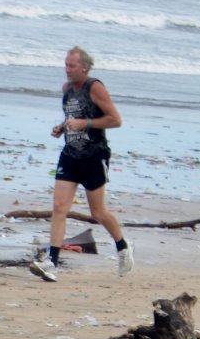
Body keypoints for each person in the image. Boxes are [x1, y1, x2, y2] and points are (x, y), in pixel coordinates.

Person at [31, 46, 133, 282]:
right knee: (59, 207)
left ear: (84, 67)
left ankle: (123, 247)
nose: (67, 70)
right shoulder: (66, 90)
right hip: (70, 154)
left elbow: (115, 120)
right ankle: (51, 263)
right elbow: (72, 118)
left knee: (98, 212)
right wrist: (62, 127)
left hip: (94, 156)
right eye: (66, 65)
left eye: (72, 66)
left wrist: (84, 123)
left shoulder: (95, 87)